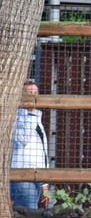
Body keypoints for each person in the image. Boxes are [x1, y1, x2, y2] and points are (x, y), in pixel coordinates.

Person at [10, 80, 48, 210]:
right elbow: (22, 140)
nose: (33, 96)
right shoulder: (15, 116)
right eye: (29, 92)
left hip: (38, 176)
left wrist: (44, 184)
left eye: (35, 92)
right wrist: (31, 113)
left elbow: (43, 152)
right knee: (29, 214)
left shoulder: (36, 117)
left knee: (33, 213)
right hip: (22, 176)